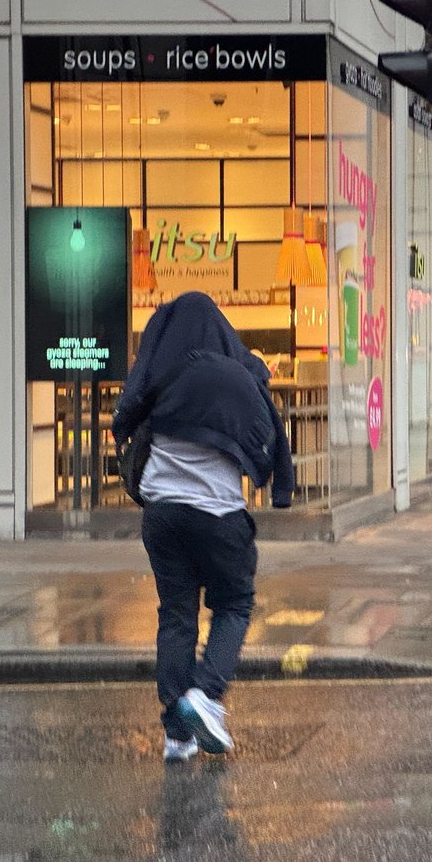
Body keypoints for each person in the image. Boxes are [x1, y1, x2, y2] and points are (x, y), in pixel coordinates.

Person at [112, 292, 294, 762]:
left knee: (176, 614)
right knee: (234, 603)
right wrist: (275, 486)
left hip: (163, 514)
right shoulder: (237, 376)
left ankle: (177, 736)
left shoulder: (160, 373)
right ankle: (206, 695)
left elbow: (124, 418)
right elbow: (271, 437)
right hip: (218, 514)